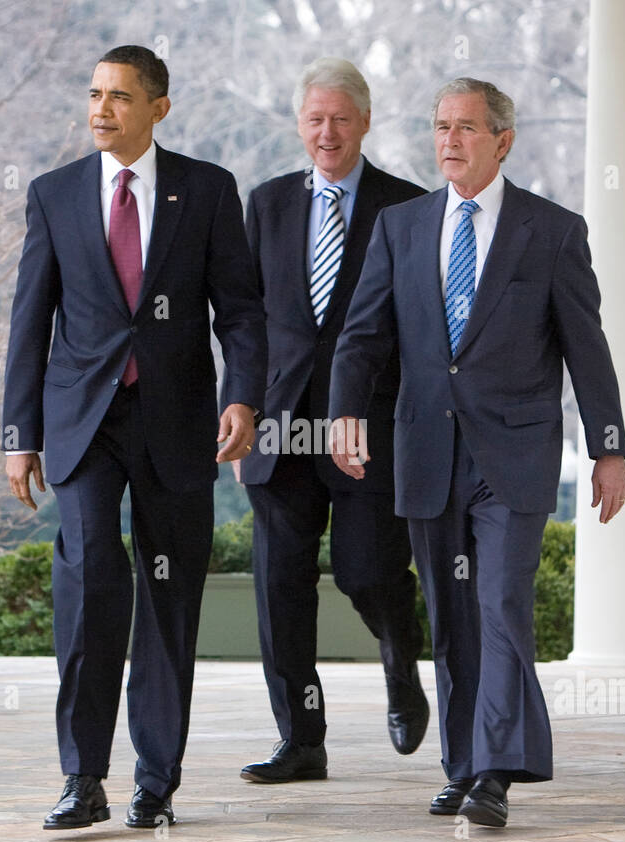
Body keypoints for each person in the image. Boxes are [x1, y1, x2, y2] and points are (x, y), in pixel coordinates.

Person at [329, 78, 625, 827]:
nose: (449, 140)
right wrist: (342, 413)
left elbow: (587, 351)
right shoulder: (401, 227)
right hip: (427, 451)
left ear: (503, 140)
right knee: (453, 613)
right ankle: (461, 765)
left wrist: (609, 448)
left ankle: (494, 771)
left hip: (515, 456)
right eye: (440, 127)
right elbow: (363, 335)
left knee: (499, 602)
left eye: (466, 127)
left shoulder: (553, 231)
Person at [1, 45, 266, 831]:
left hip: (179, 424)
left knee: (168, 598)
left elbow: (242, 313)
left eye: (119, 96)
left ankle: (157, 782)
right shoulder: (54, 196)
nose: (100, 109)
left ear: (159, 107)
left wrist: (245, 400)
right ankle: (83, 778)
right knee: (88, 581)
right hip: (83, 423)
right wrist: (20, 434)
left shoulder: (208, 191)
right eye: (93, 94)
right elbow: (29, 320)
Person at [236, 58, 429, 783]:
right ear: (298, 123)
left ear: (366, 122)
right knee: (281, 588)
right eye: (315, 118)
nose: (328, 132)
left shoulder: (407, 207)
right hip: (280, 428)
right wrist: (241, 403)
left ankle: (399, 653)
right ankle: (302, 736)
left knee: (366, 570)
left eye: (341, 119)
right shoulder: (268, 204)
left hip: (368, 430)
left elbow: (417, 329)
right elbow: (247, 321)